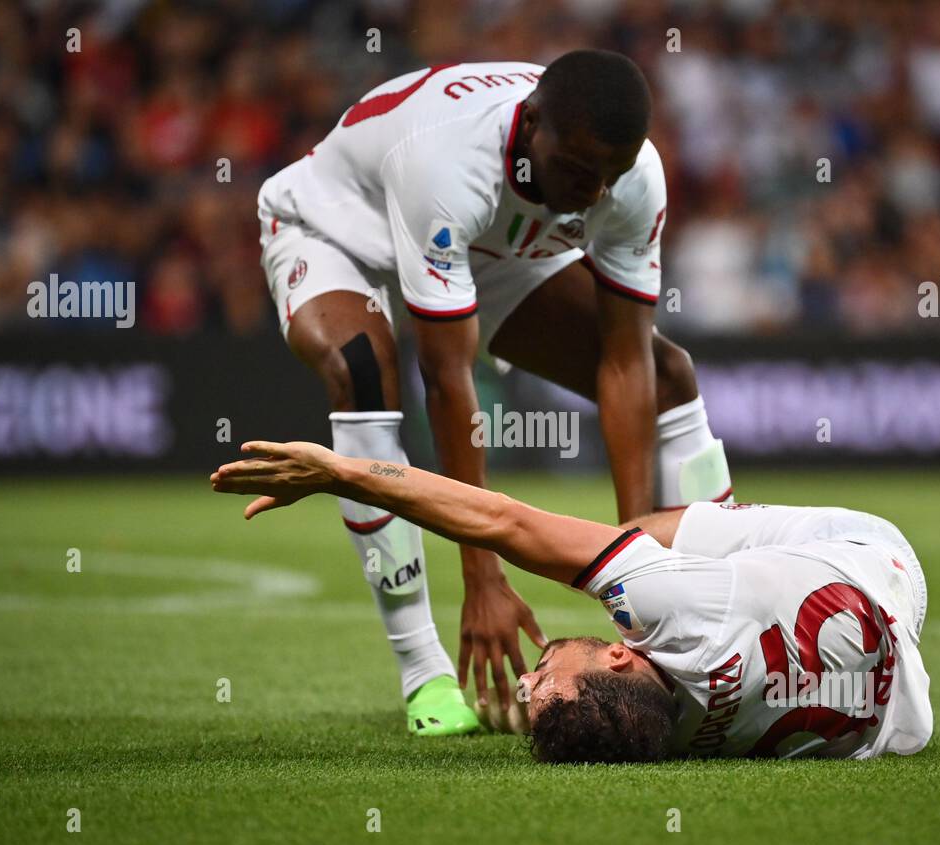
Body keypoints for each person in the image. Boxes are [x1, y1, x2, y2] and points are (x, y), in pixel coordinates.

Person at [255, 50, 733, 735]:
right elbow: (449, 379)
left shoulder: (630, 177)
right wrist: (483, 579)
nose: (595, 195)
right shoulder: (447, 163)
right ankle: (425, 674)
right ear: (531, 123)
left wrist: (634, 572)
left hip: (487, 249)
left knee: (670, 375)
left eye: (610, 177)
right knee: (362, 371)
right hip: (340, 231)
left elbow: (626, 365)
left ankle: (718, 607)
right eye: (577, 170)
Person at [210, 441, 934, 763]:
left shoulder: (660, 740)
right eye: (545, 683)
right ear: (620, 656)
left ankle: (725, 561)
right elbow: (504, 521)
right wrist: (344, 475)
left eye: (526, 689)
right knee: (634, 539)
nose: (526, 677)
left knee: (651, 576)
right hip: (865, 549)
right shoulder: (670, 602)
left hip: (894, 637)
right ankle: (714, 501)